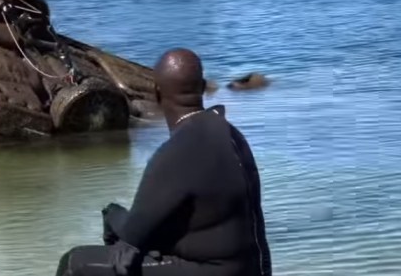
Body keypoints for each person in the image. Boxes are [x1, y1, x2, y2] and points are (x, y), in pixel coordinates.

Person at [54, 48, 272, 276]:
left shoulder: (178, 151)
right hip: (254, 269)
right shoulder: (232, 135)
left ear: (157, 95)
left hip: (213, 270)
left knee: (74, 262)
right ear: (202, 87)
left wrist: (111, 215)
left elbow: (130, 241)